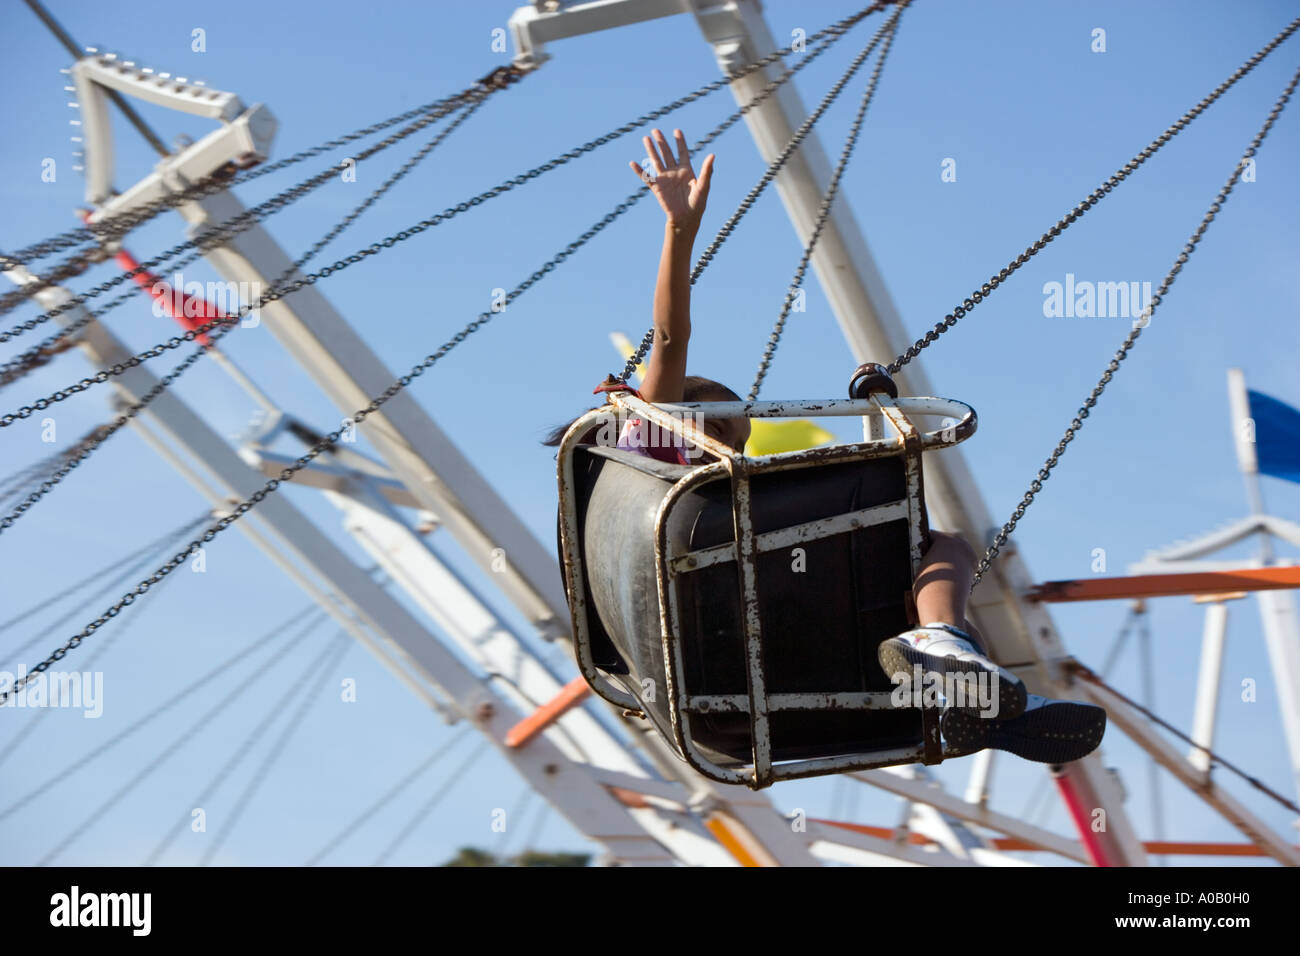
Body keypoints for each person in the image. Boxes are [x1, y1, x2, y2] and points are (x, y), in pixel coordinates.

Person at [546, 128, 1106, 764]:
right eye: (722, 427)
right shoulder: (651, 446)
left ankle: (970, 682)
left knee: (921, 569)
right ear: (676, 409)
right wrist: (680, 229)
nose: (726, 448)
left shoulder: (673, 516)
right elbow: (671, 338)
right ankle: (953, 653)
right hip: (725, 650)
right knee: (933, 545)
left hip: (764, 662)